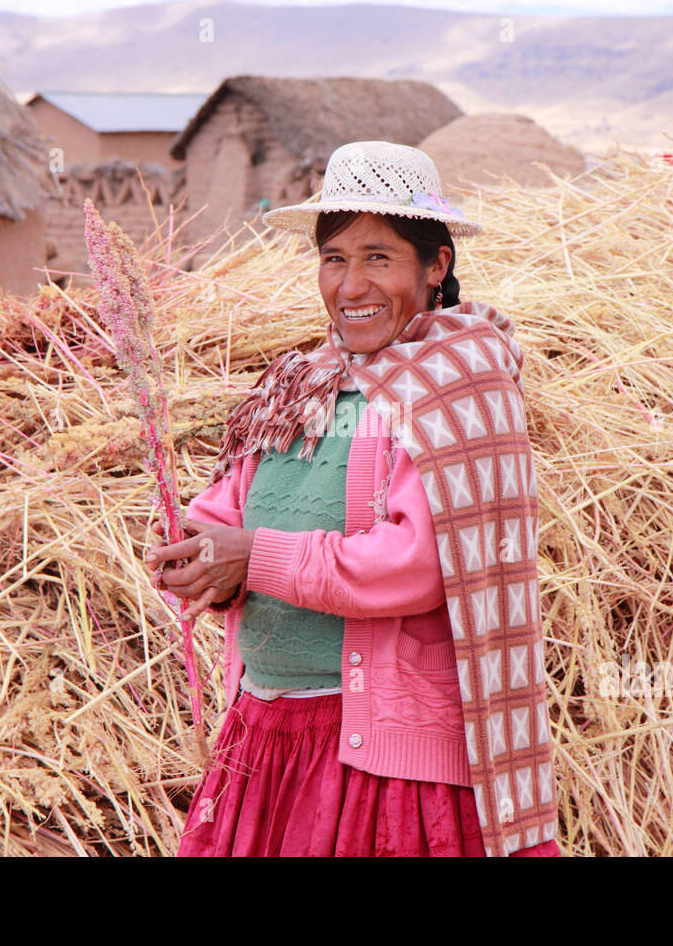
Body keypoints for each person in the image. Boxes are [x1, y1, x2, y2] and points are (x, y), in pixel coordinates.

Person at [144, 140, 560, 857]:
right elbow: (230, 506)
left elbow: (413, 565)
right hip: (267, 740)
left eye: (378, 257)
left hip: (382, 766)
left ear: (436, 267)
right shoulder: (301, 380)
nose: (351, 284)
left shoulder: (459, 385)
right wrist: (200, 555)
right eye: (334, 259)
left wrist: (255, 556)